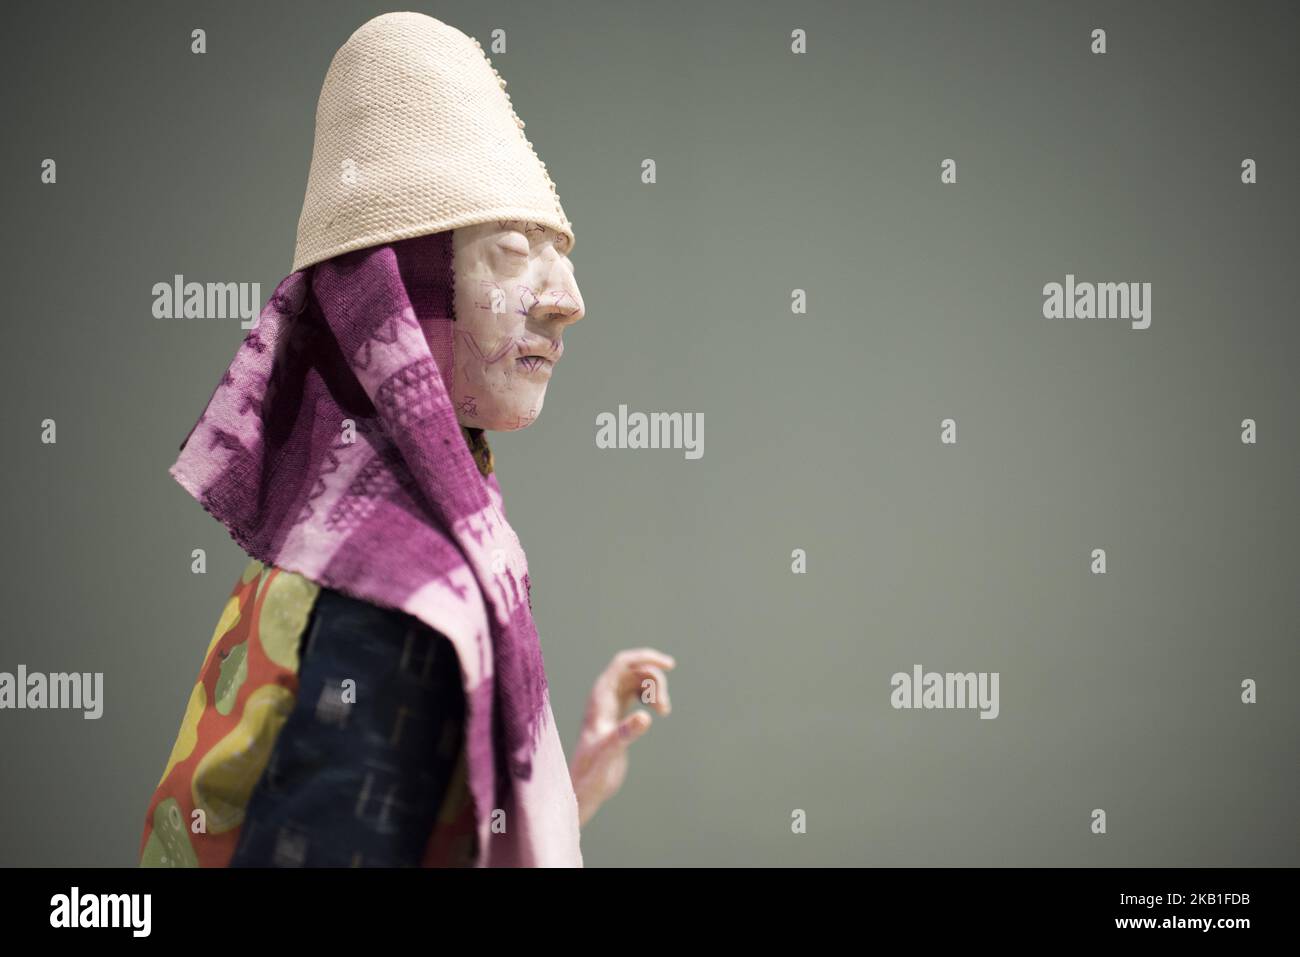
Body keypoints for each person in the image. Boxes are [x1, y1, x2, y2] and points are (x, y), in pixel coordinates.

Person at [138, 12, 674, 868]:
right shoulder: (398, 599)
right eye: (511, 250)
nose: (567, 296)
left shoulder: (347, 546)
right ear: (399, 291)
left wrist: (553, 795)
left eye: (558, 254)